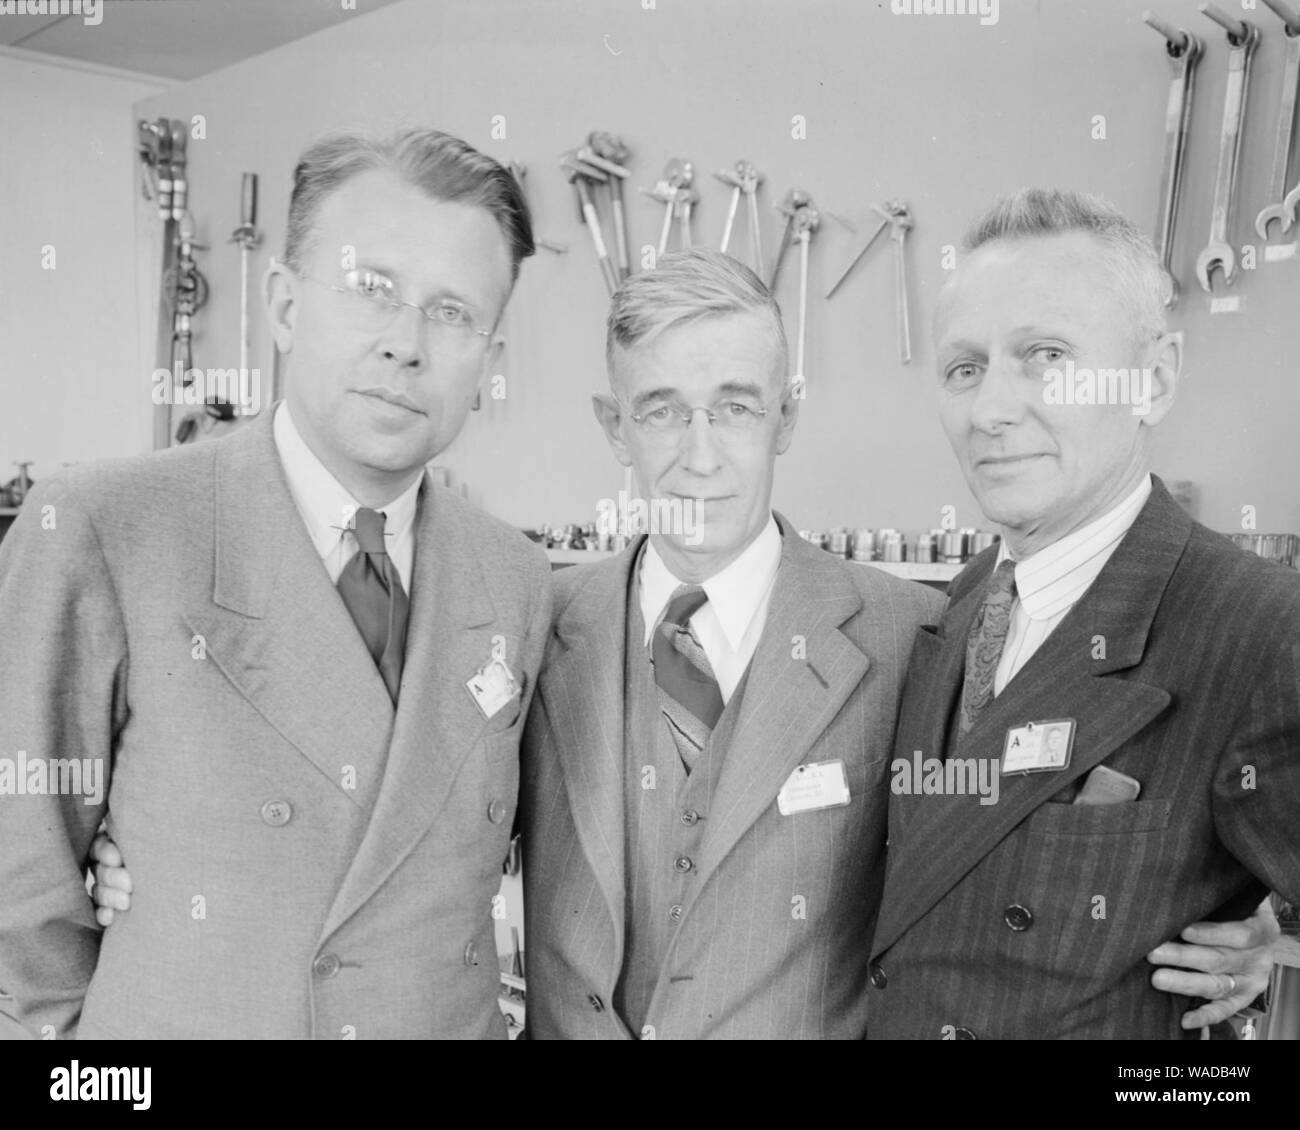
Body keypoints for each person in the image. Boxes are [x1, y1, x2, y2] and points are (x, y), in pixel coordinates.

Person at [0, 128, 551, 1040]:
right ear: (286, 308)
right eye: (371, 289)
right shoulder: (104, 528)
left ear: (489, 362)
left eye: (452, 313)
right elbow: (20, 884)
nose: (405, 346)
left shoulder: (520, 578)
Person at [866, 189, 1300, 1039]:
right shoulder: (962, 605)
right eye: (965, 368)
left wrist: (1282, 934)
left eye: (1046, 355)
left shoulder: (1257, 628)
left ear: (1156, 378)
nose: (991, 410)